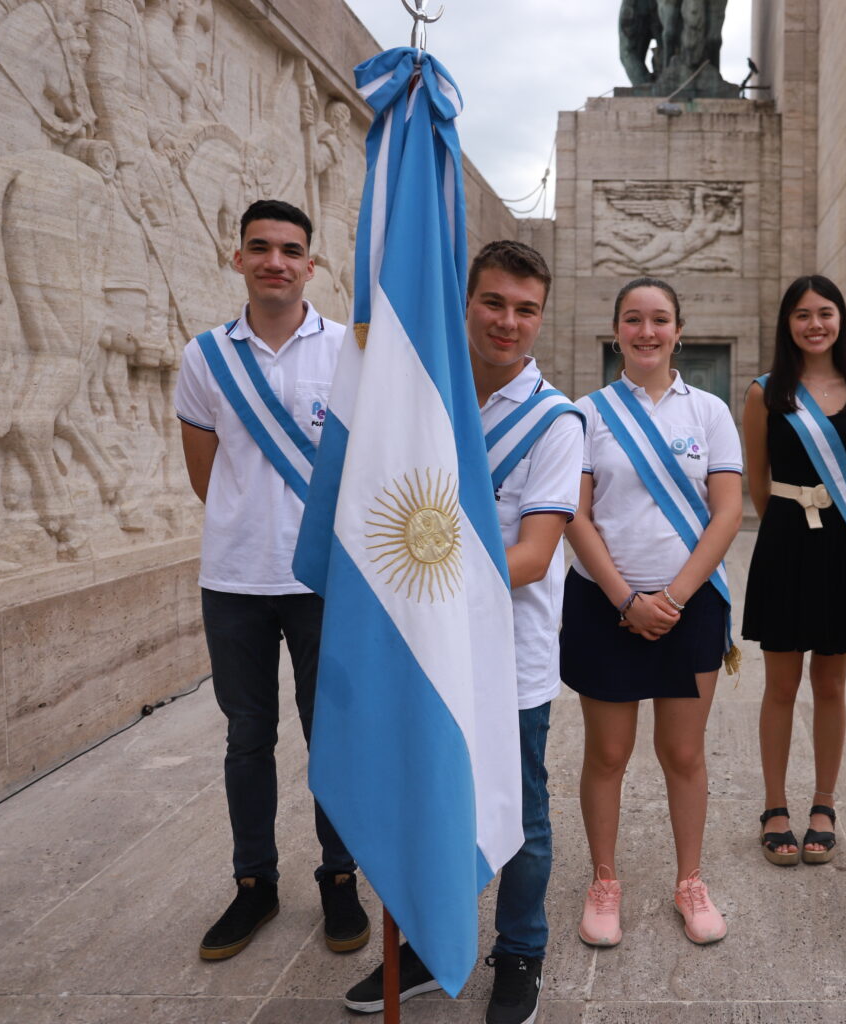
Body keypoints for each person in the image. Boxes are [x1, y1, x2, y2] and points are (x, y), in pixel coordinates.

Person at [341, 241, 584, 1024]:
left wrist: (417, 588)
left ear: (541, 317)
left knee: (521, 812)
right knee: (423, 794)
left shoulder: (557, 422)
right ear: (466, 303)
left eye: (526, 309)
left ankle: (520, 950)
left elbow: (535, 556)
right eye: (494, 303)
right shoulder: (418, 401)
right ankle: (425, 940)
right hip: (422, 652)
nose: (508, 322)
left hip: (508, 660)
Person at [174, 199, 368, 961]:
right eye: (260, 248)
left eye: (291, 250)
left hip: (324, 580)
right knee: (247, 737)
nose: (275, 262)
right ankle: (254, 883)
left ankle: (340, 875)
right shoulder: (205, 357)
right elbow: (205, 474)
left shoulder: (348, 353)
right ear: (239, 260)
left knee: (334, 739)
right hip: (234, 580)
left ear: (311, 265)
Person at [562, 277, 743, 947]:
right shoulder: (586, 412)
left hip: (689, 608)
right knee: (608, 752)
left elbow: (727, 511)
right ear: (616, 332)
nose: (646, 331)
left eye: (659, 319)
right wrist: (626, 598)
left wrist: (671, 598)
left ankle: (689, 881)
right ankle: (604, 881)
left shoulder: (710, 413)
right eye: (633, 320)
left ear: (678, 330)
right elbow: (575, 515)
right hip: (603, 603)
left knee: (684, 752)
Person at [741, 275, 846, 867]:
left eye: (826, 312)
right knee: (779, 686)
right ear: (787, 324)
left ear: (840, 319)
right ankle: (775, 805)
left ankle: (824, 803)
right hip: (784, 542)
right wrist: (790, 519)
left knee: (830, 685)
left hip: (841, 546)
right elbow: (755, 477)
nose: (815, 324)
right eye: (803, 315)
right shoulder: (764, 393)